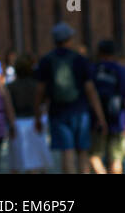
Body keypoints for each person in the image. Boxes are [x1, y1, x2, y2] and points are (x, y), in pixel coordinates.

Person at [34, 22, 109, 174]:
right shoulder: (79, 59)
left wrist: (37, 116)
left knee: (66, 153)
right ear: (69, 39)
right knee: (82, 153)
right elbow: (90, 90)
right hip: (80, 111)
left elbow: (39, 91)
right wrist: (100, 116)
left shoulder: (46, 60)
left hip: (57, 112)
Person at [7, 53, 51, 173]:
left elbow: (8, 108)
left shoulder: (10, 87)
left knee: (17, 161)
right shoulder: (37, 86)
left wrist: (10, 125)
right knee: (36, 160)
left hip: (18, 123)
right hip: (35, 122)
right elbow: (46, 103)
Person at [89, 39, 125, 174]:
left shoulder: (93, 70)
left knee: (95, 155)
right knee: (116, 158)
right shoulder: (120, 70)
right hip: (118, 118)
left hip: (96, 119)